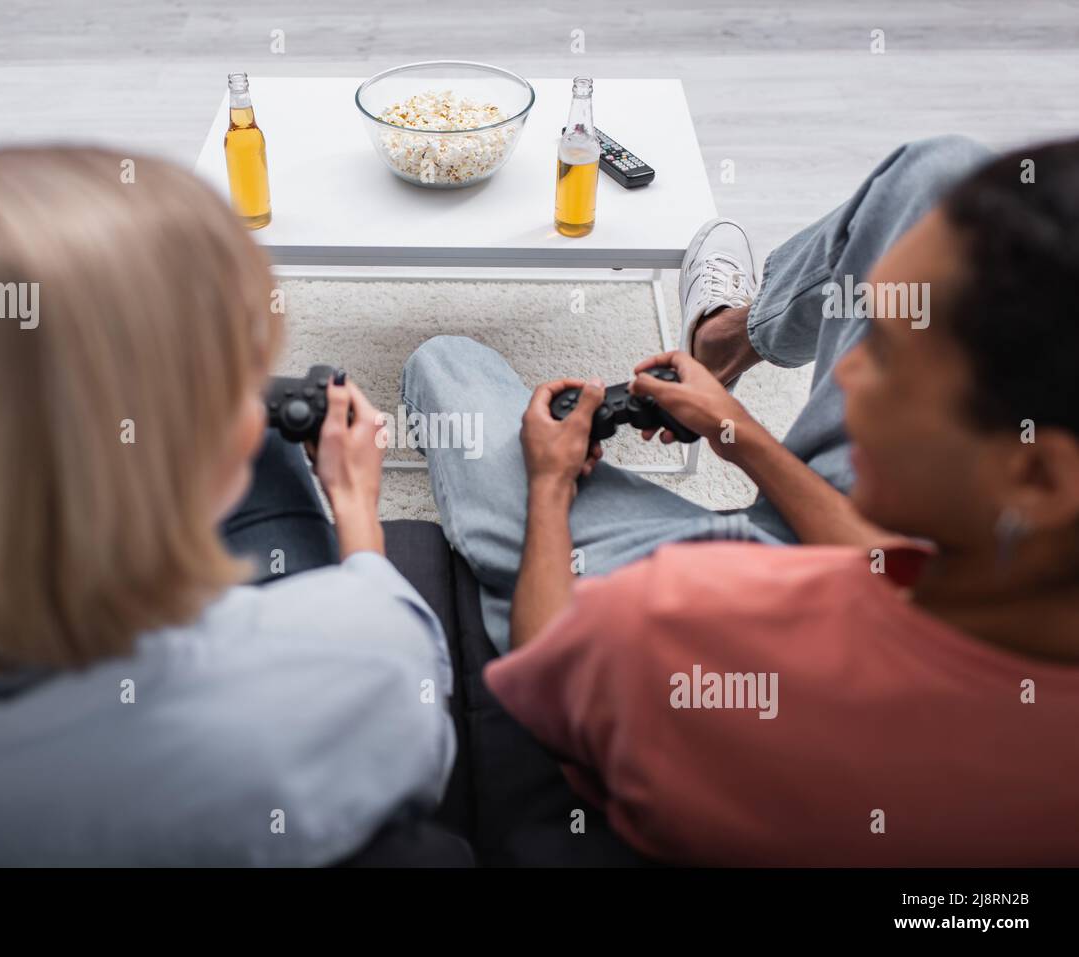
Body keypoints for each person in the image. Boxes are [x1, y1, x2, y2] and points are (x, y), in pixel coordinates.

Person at [406, 135, 1079, 864]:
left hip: (701, 599)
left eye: (885, 354)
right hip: (893, 549)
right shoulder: (1015, 578)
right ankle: (727, 337)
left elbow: (552, 677)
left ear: (1039, 475)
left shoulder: (691, 624)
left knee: (449, 368)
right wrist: (738, 433)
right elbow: (896, 574)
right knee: (937, 173)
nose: (847, 373)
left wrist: (548, 484)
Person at [0, 147, 455, 866]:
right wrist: (355, 506)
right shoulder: (360, 664)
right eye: (233, 382)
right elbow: (423, 745)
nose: (250, 412)